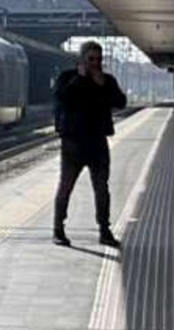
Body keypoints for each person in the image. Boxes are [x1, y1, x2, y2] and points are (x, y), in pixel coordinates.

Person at [50, 42, 129, 248]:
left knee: (102, 188)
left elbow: (121, 102)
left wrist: (103, 85)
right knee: (65, 187)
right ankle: (58, 229)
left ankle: (104, 230)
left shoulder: (106, 80)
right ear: (82, 59)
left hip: (97, 143)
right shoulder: (68, 77)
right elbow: (60, 97)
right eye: (91, 59)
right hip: (73, 144)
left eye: (98, 59)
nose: (95, 63)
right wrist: (80, 78)